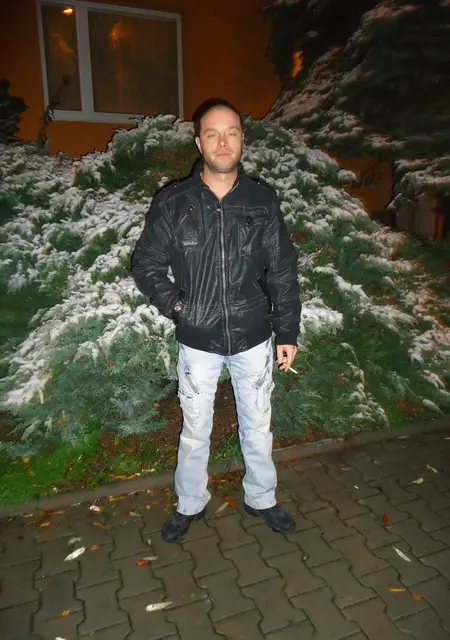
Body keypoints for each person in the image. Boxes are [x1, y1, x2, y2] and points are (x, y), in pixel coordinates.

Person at [132, 98, 301, 543]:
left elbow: (282, 270)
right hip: (197, 342)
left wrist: (287, 331)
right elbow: (146, 264)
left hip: (254, 337)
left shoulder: (262, 201)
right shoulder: (174, 203)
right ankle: (190, 503)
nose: (223, 142)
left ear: (242, 140)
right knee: (194, 430)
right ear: (199, 143)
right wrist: (181, 307)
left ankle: (261, 497)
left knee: (258, 426)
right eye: (212, 133)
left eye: (231, 132)